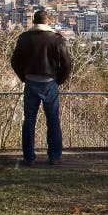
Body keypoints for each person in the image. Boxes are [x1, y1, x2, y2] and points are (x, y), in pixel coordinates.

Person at [11, 10, 73, 166]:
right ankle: (54, 156)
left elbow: (14, 61)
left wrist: (23, 77)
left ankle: (29, 157)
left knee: (29, 120)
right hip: (50, 83)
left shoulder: (24, 38)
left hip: (30, 82)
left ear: (33, 21)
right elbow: (67, 64)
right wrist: (59, 80)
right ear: (48, 21)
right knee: (53, 121)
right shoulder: (56, 39)